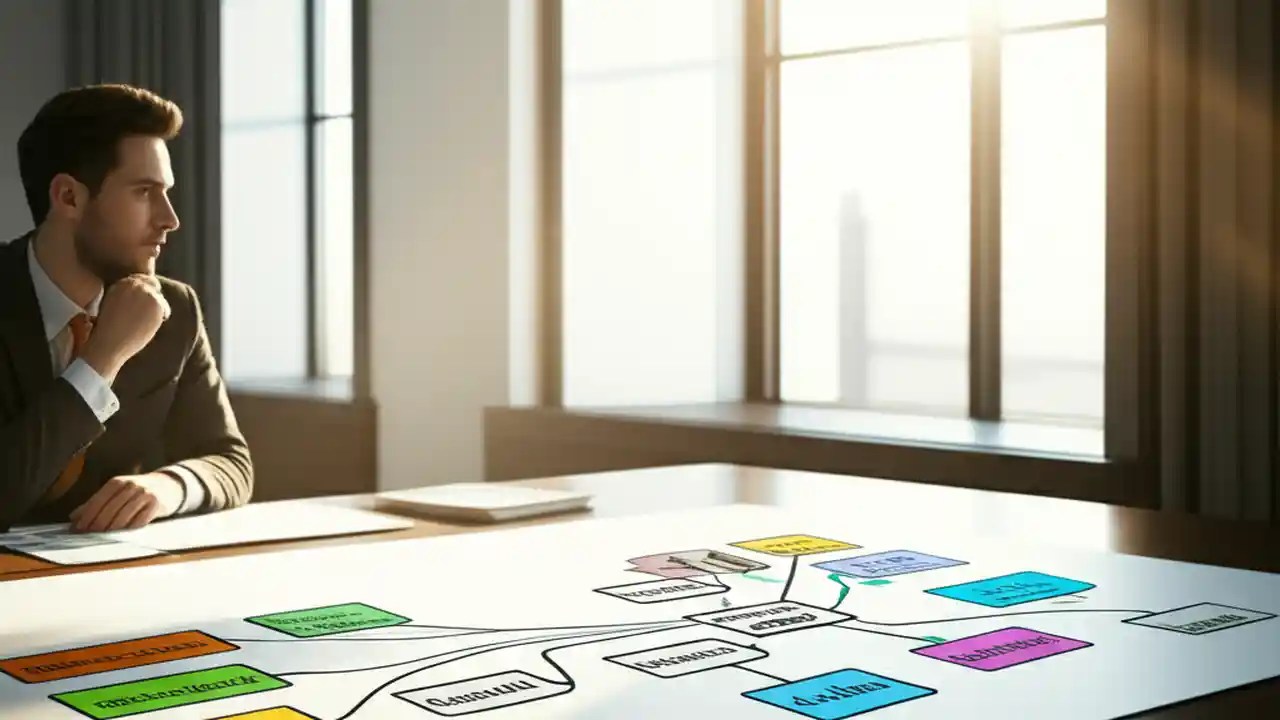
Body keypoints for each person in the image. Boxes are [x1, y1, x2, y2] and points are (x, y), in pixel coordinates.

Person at [0, 84, 252, 532]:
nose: (169, 218)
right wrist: (102, 359)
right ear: (69, 198)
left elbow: (230, 462)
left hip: (118, 578)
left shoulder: (175, 308)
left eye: (166, 192)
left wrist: (168, 486)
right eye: (144, 192)